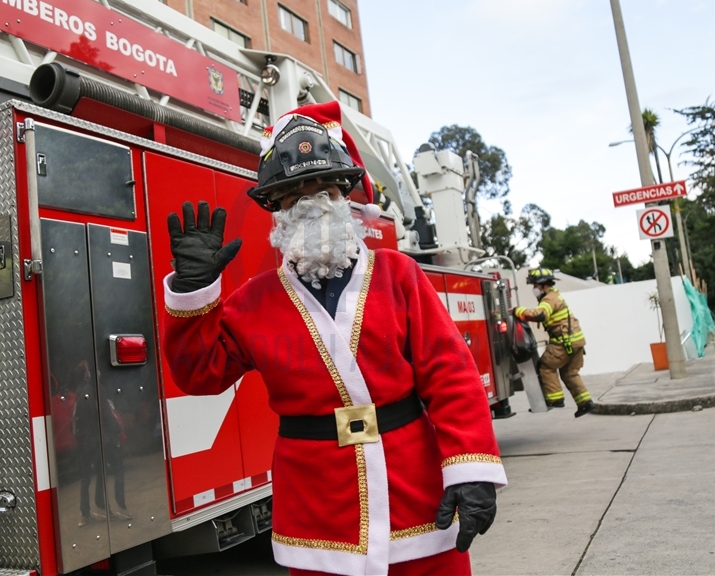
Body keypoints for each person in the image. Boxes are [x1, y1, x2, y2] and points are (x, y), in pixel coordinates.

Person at [161, 101, 506, 576]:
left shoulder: (398, 274)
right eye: (293, 193)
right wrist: (192, 292)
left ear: (346, 195)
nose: (312, 201)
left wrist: (470, 469)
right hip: (316, 509)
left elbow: (450, 374)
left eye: (325, 186)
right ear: (274, 208)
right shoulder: (253, 300)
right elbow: (199, 374)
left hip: (415, 490)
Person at [513, 268, 595, 418]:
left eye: (535, 285)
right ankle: (585, 403)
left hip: (563, 342)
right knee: (570, 373)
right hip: (576, 341)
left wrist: (517, 311)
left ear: (544, 285)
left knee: (545, 366)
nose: (534, 289)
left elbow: (540, 315)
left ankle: (555, 399)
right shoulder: (555, 296)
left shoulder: (549, 299)